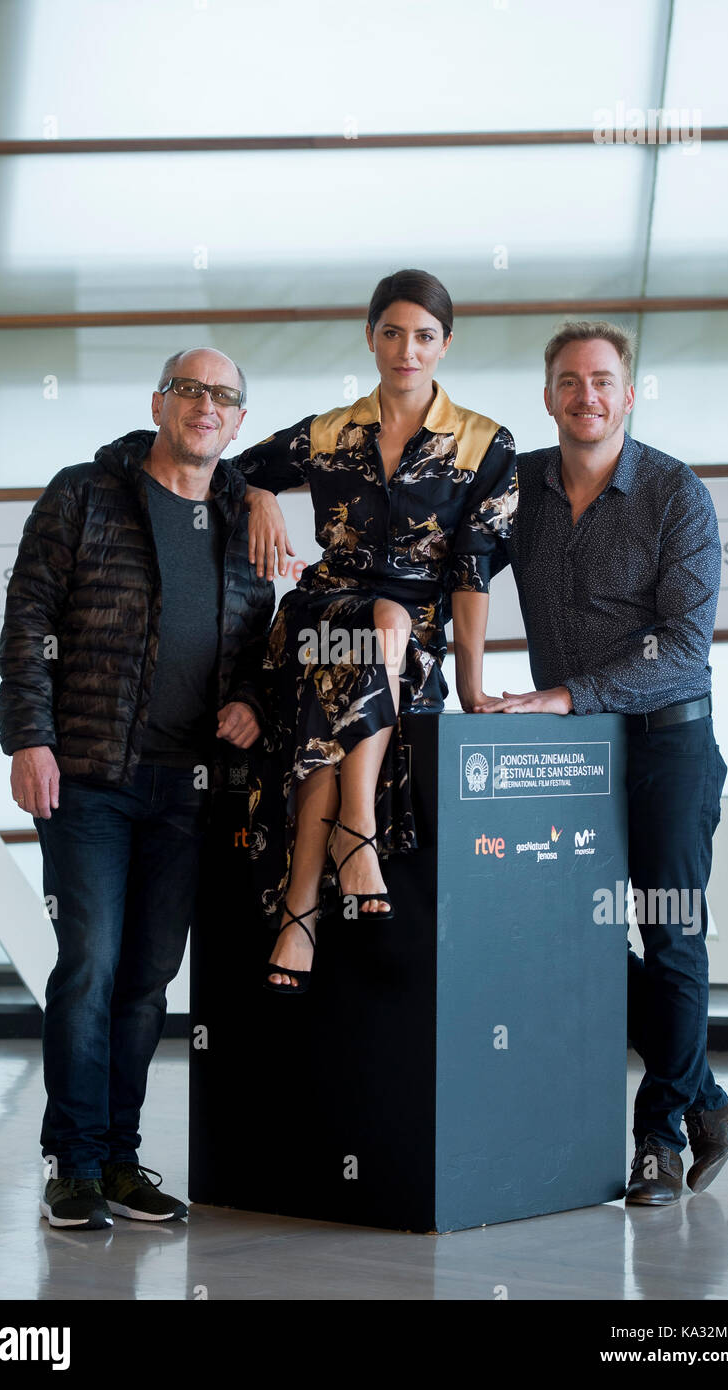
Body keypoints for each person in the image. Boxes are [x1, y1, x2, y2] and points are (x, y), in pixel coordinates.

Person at [0, 348, 274, 1229]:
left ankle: (120, 1160)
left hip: (188, 791)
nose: (206, 406)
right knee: (89, 967)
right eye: (191, 390)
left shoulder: (243, 518)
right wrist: (28, 740)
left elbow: (262, 645)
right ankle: (71, 1165)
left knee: (150, 981)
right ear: (160, 402)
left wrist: (252, 703)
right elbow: (28, 617)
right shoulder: (83, 493)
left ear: (236, 423)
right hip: (88, 779)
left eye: (224, 398)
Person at [481, 319, 728, 1204]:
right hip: (571, 759)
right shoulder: (515, 485)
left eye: (602, 380)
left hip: (668, 742)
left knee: (670, 932)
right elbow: (441, 556)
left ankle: (659, 1137)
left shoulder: (676, 494)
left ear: (627, 394)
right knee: (579, 930)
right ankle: (708, 1099)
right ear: (549, 394)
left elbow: (684, 646)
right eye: (569, 381)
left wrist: (565, 695)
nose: (586, 396)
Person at [236, 269, 518, 992]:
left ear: (446, 344)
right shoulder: (329, 432)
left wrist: (477, 686)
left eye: (424, 336)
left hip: (410, 643)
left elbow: (473, 572)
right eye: (392, 333)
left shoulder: (484, 444)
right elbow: (227, 473)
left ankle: (300, 910)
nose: (407, 350)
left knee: (383, 635)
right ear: (370, 338)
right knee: (374, 625)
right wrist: (263, 495)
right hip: (318, 620)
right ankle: (356, 837)